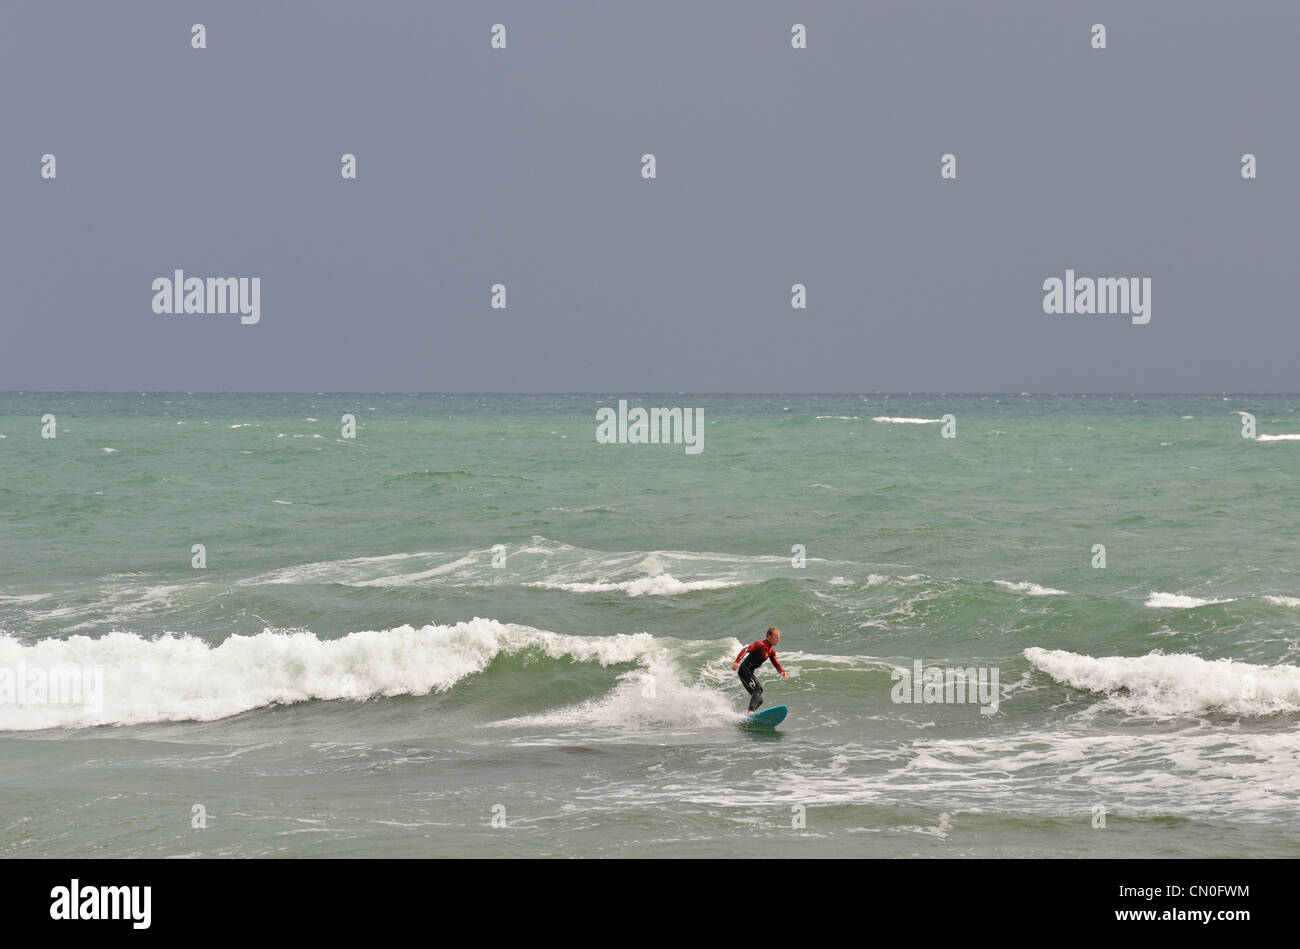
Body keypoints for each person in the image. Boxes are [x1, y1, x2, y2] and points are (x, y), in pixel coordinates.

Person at [732, 626, 787, 713]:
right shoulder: (760, 644)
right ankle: (750, 712)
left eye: (778, 637)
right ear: (768, 636)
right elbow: (746, 649)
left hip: (749, 672)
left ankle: (750, 715)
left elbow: (776, 663)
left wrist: (782, 671)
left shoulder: (771, 651)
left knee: (759, 698)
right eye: (775, 637)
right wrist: (736, 662)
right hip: (744, 670)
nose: (778, 639)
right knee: (758, 689)